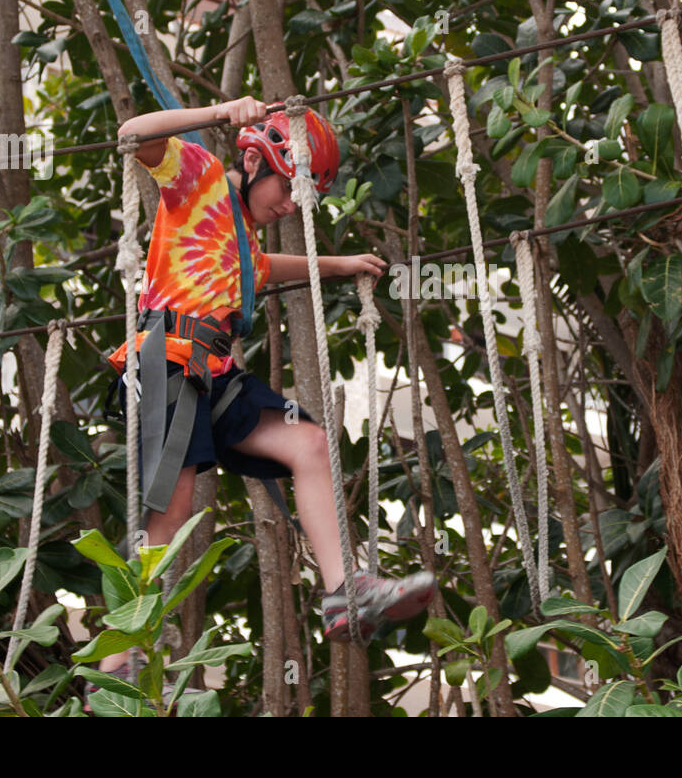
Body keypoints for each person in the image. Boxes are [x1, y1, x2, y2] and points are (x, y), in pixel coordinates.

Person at [96, 97, 435, 688]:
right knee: (172, 504)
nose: (289, 203)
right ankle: (121, 658)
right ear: (254, 161)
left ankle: (344, 593)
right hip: (167, 359)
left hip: (215, 374)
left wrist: (335, 264)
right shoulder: (198, 177)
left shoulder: (245, 234)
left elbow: (260, 266)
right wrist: (222, 109)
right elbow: (132, 133)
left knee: (308, 443)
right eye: (285, 185)